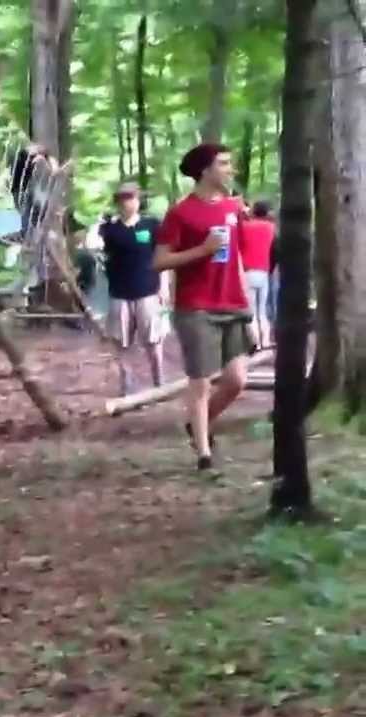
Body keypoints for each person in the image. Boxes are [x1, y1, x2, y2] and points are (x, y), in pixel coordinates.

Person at [153, 143, 251, 471]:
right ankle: (204, 454)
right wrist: (203, 249)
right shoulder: (180, 213)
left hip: (233, 302)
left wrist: (249, 306)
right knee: (201, 381)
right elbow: (160, 261)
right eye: (224, 164)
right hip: (196, 307)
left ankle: (198, 425)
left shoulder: (233, 209)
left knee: (236, 380)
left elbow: (236, 257)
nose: (230, 169)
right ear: (205, 171)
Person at [99, 181, 167, 395]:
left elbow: (161, 256)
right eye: (124, 199)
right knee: (121, 343)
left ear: (138, 201)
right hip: (119, 293)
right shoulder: (109, 229)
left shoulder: (151, 225)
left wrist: (164, 286)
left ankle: (159, 381)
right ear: (118, 203)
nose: (129, 203)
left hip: (147, 290)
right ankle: (126, 383)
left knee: (154, 340)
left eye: (132, 198)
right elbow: (97, 250)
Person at [240, 200, 276, 347]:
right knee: (262, 312)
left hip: (248, 273)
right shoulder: (270, 227)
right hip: (264, 273)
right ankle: (265, 341)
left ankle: (256, 344)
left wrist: (244, 212)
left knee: (252, 312)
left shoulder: (245, 227)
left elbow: (237, 223)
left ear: (254, 211)